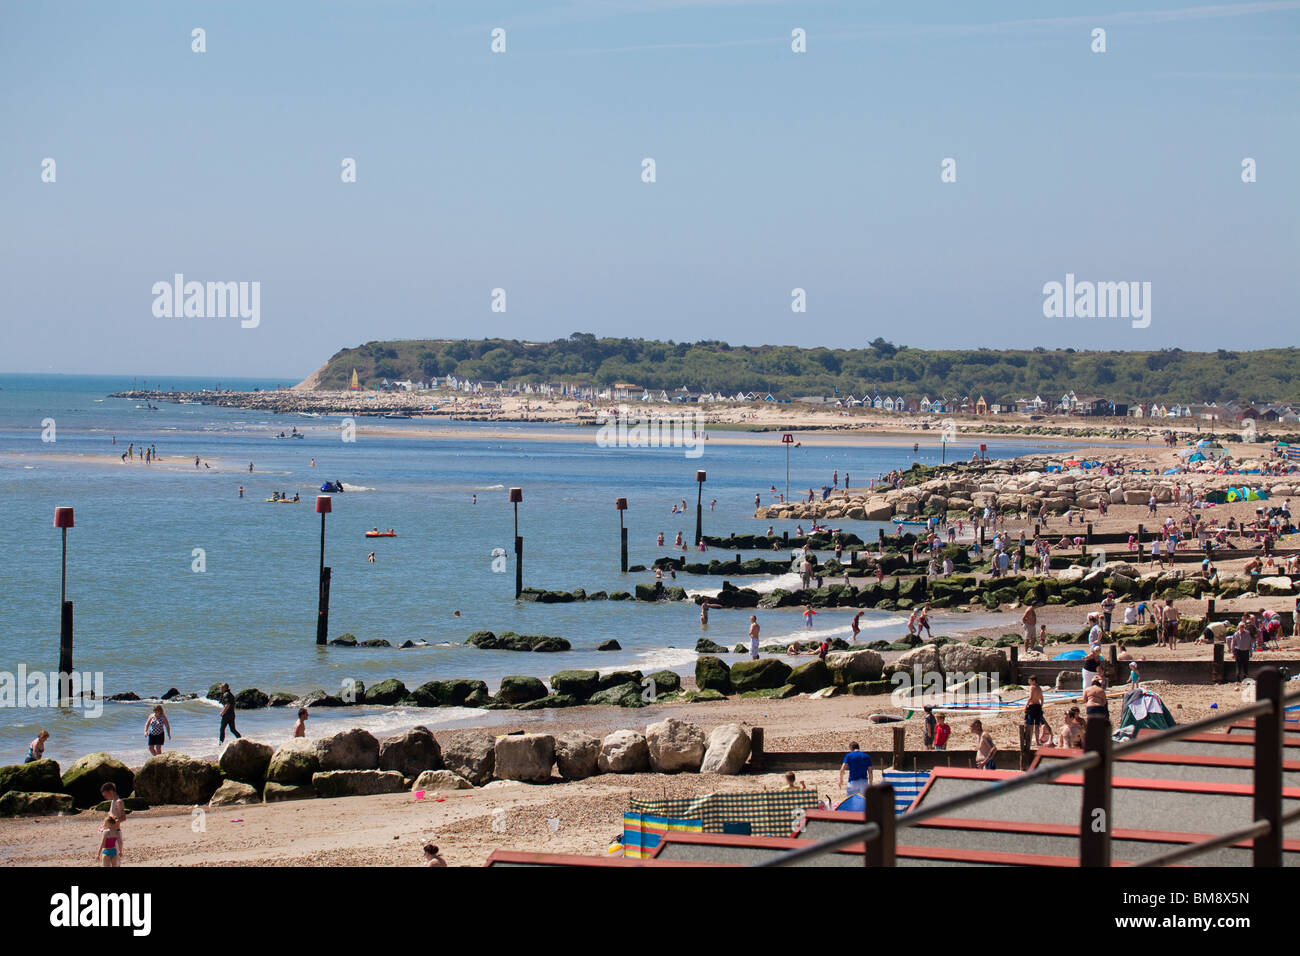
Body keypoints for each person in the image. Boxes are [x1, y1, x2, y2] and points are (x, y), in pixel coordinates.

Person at [1024, 677, 1050, 746]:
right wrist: (1040, 706)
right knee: (1037, 725)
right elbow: (1042, 698)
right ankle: (1037, 741)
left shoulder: (1032, 687)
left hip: (1032, 706)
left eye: (1030, 680)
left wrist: (1026, 705)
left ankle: (1029, 741)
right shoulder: (1039, 688)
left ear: (1033, 681)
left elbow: (1031, 697)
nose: (1029, 682)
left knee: (1030, 725)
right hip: (1038, 706)